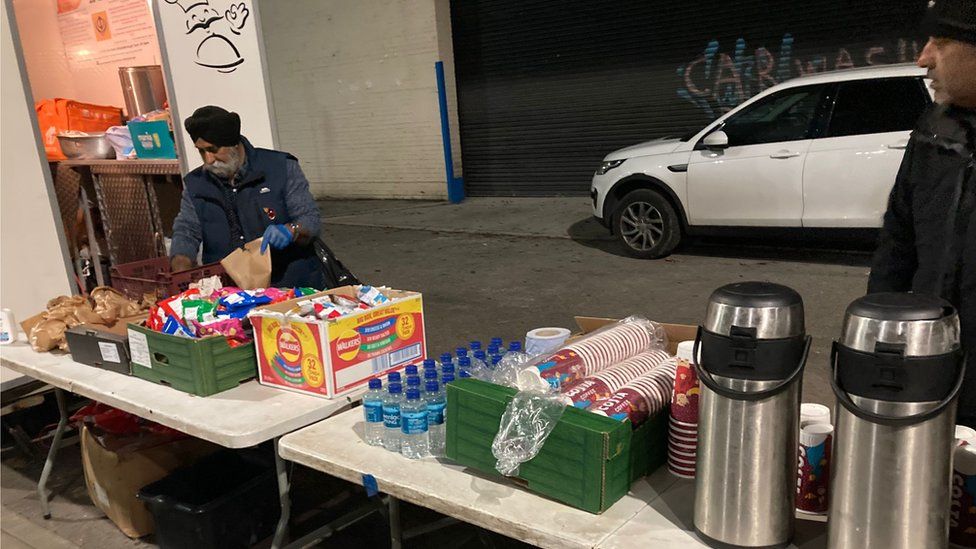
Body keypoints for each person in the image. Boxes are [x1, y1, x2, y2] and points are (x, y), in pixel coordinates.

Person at [868, 0, 976, 424]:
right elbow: (897, 245)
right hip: (933, 371)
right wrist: (881, 339)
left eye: (941, 41)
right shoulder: (935, 131)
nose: (922, 58)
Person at [170, 106, 326, 289]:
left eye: (213, 149)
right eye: (201, 151)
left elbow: (310, 219)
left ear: (234, 144)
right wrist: (181, 267)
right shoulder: (196, 184)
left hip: (290, 285)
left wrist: (291, 230)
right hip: (230, 290)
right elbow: (187, 230)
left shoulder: (280, 168)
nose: (208, 159)